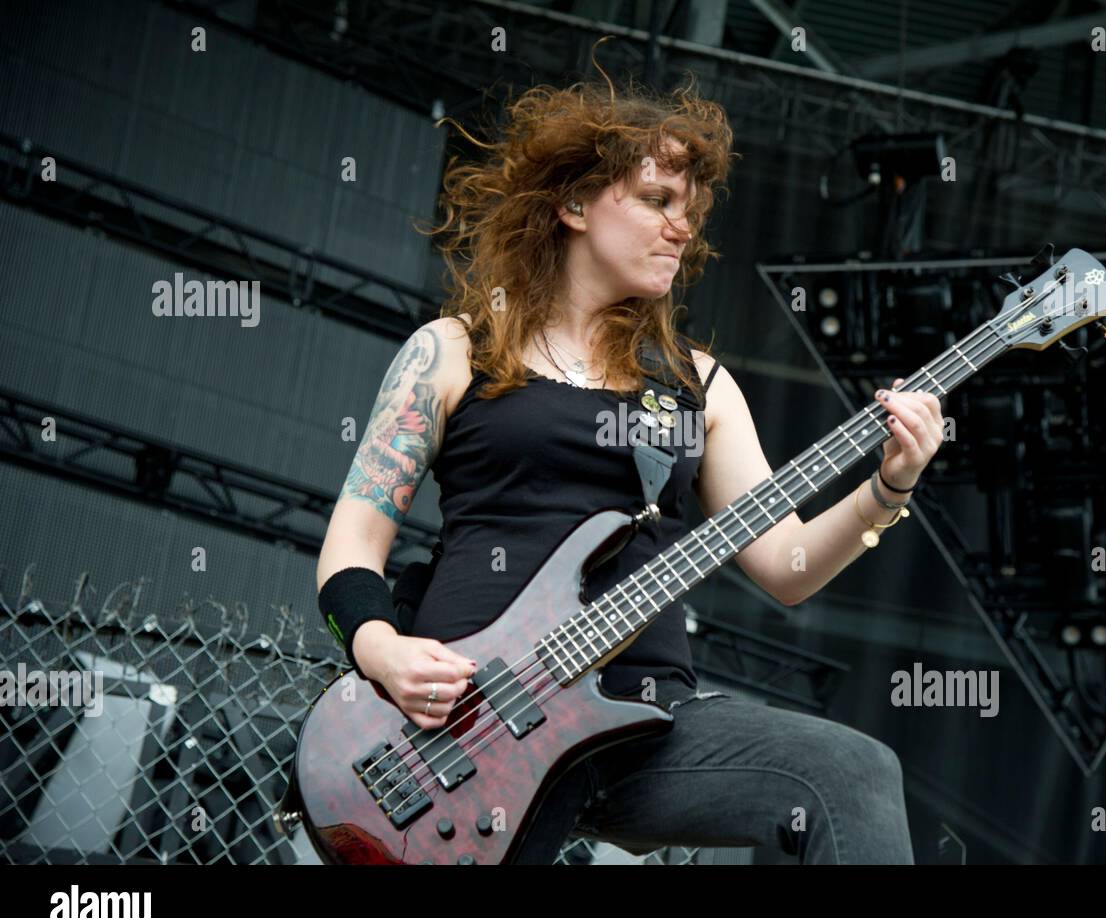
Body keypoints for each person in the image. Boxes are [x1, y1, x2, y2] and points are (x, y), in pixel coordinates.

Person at [315, 52, 943, 864]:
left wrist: (887, 489)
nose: (682, 226)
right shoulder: (452, 351)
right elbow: (349, 549)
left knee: (854, 772)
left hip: (643, 725)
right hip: (464, 737)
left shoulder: (696, 385)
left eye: (691, 210)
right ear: (574, 202)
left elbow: (787, 564)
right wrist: (382, 649)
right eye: (656, 201)